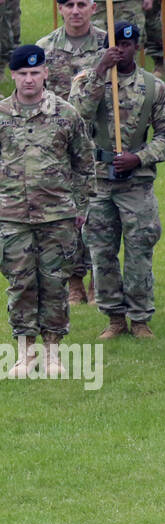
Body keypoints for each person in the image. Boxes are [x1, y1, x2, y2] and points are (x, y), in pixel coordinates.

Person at [69, 24, 165, 340]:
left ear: (137, 48)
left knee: (139, 250)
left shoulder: (153, 87)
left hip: (135, 182)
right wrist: (101, 70)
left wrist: (140, 157)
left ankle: (140, 317)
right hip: (98, 182)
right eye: (115, 45)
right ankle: (114, 317)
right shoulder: (87, 81)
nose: (121, 50)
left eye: (127, 45)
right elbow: (77, 117)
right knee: (101, 252)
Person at [0, 45, 93, 378]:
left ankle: (52, 353)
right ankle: (25, 354)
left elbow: (84, 163)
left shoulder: (65, 114)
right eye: (22, 73)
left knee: (54, 283)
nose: (28, 79)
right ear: (13, 75)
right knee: (21, 283)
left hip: (58, 216)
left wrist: (79, 207)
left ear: (45, 74)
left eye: (34, 73)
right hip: (11, 216)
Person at [38, 0, 109, 305]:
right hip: (61, 145)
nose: (76, 11)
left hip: (100, 141)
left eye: (82, 4)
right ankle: (74, 281)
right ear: (61, 10)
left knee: (99, 215)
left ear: (93, 8)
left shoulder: (108, 45)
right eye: (70, 6)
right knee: (68, 214)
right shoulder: (45, 48)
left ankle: (99, 280)